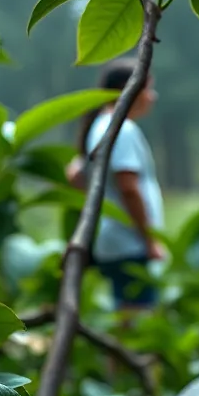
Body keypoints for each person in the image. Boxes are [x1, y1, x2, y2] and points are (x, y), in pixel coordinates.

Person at [70, 60, 165, 311]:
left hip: (115, 241)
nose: (153, 97)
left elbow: (75, 176)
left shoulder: (101, 125)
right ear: (130, 89)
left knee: (126, 317)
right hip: (130, 244)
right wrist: (150, 240)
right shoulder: (122, 129)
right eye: (148, 89)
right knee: (136, 322)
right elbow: (128, 188)